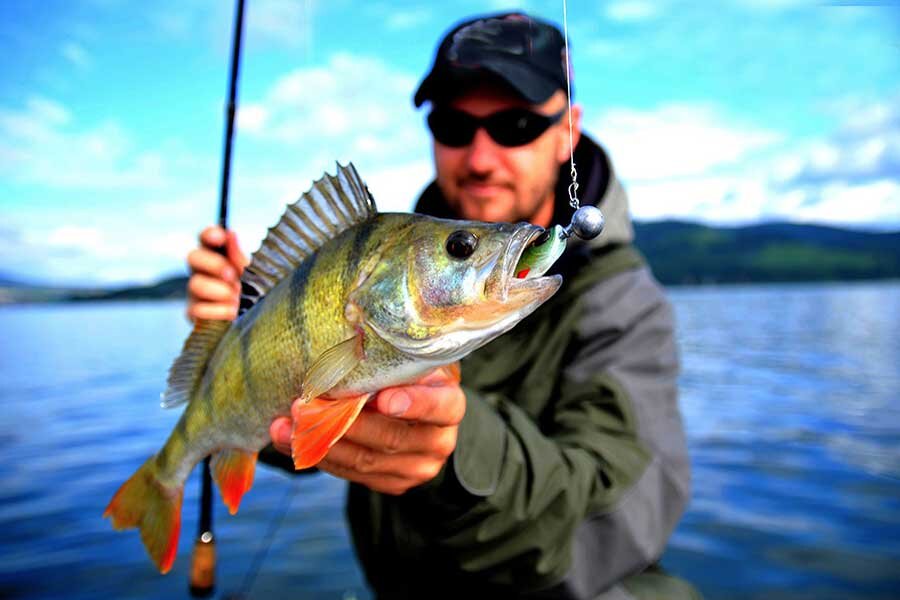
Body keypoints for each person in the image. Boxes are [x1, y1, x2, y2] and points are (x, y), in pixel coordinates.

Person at [186, 12, 697, 600]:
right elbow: (297, 425)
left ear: (568, 131)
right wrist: (240, 330)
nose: (480, 157)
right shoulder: (382, 255)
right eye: (454, 125)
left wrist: (455, 458)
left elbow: (618, 522)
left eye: (516, 124)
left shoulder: (625, 305)